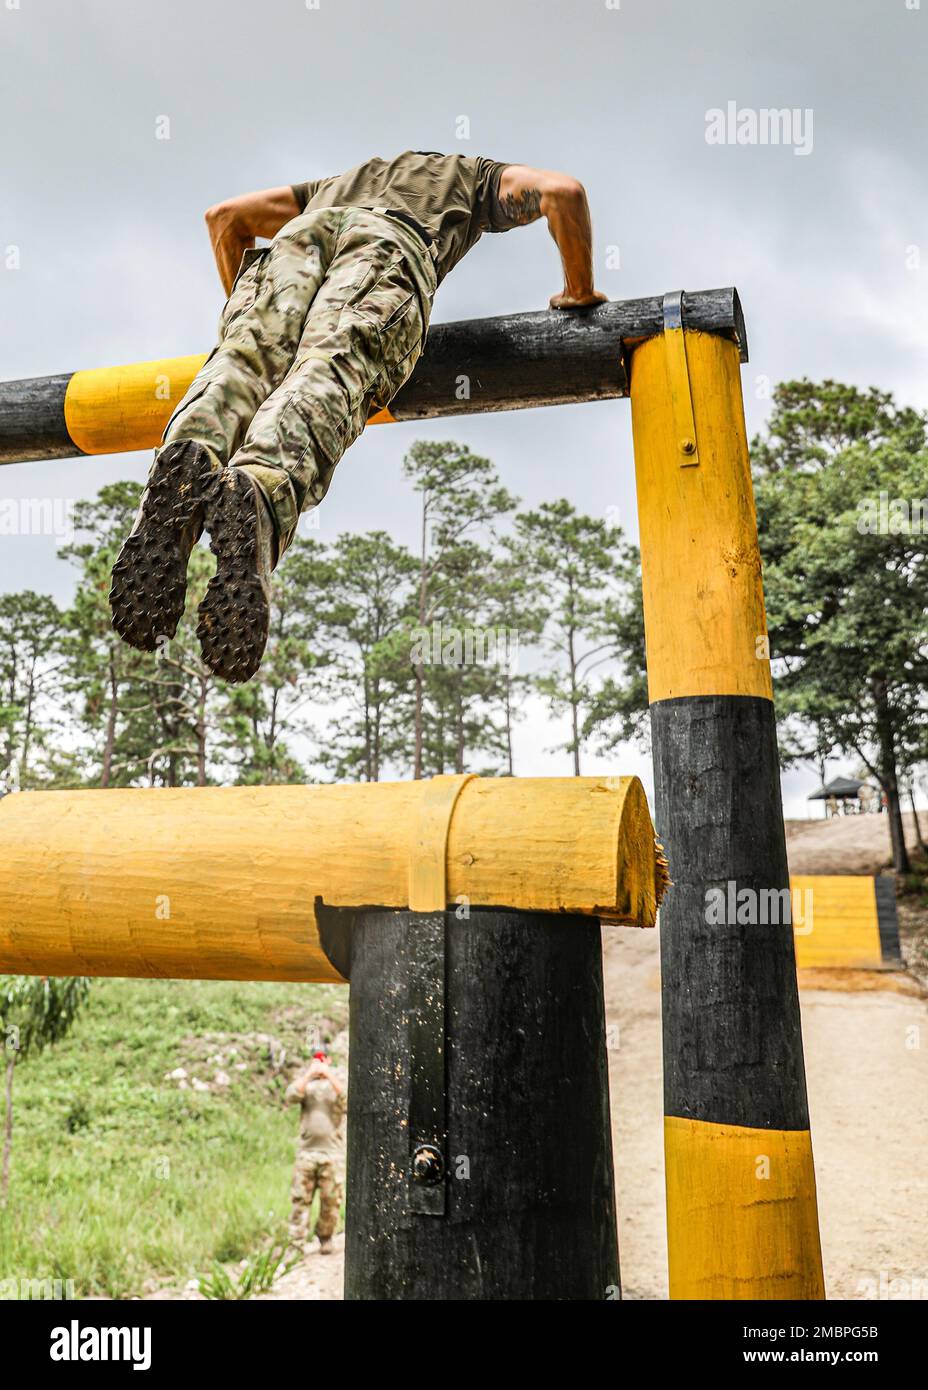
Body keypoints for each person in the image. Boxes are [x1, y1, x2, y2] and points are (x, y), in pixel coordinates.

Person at [109, 151, 606, 682]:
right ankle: (258, 490)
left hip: (295, 245)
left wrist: (264, 326)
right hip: (386, 250)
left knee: (243, 363)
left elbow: (224, 218)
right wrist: (579, 292)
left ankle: (190, 461)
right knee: (330, 368)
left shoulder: (339, 183)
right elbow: (563, 192)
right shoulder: (475, 178)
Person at [284, 1051, 346, 1255]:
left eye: (322, 1059)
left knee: (331, 1200)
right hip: (307, 1153)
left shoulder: (336, 1083)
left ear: (329, 1060)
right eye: (316, 1059)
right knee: (300, 1199)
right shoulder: (306, 1086)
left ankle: (326, 1237)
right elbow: (291, 1095)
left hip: (332, 1153)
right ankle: (296, 1243)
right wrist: (310, 1074)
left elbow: (347, 1098)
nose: (319, 1063)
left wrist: (327, 1074)